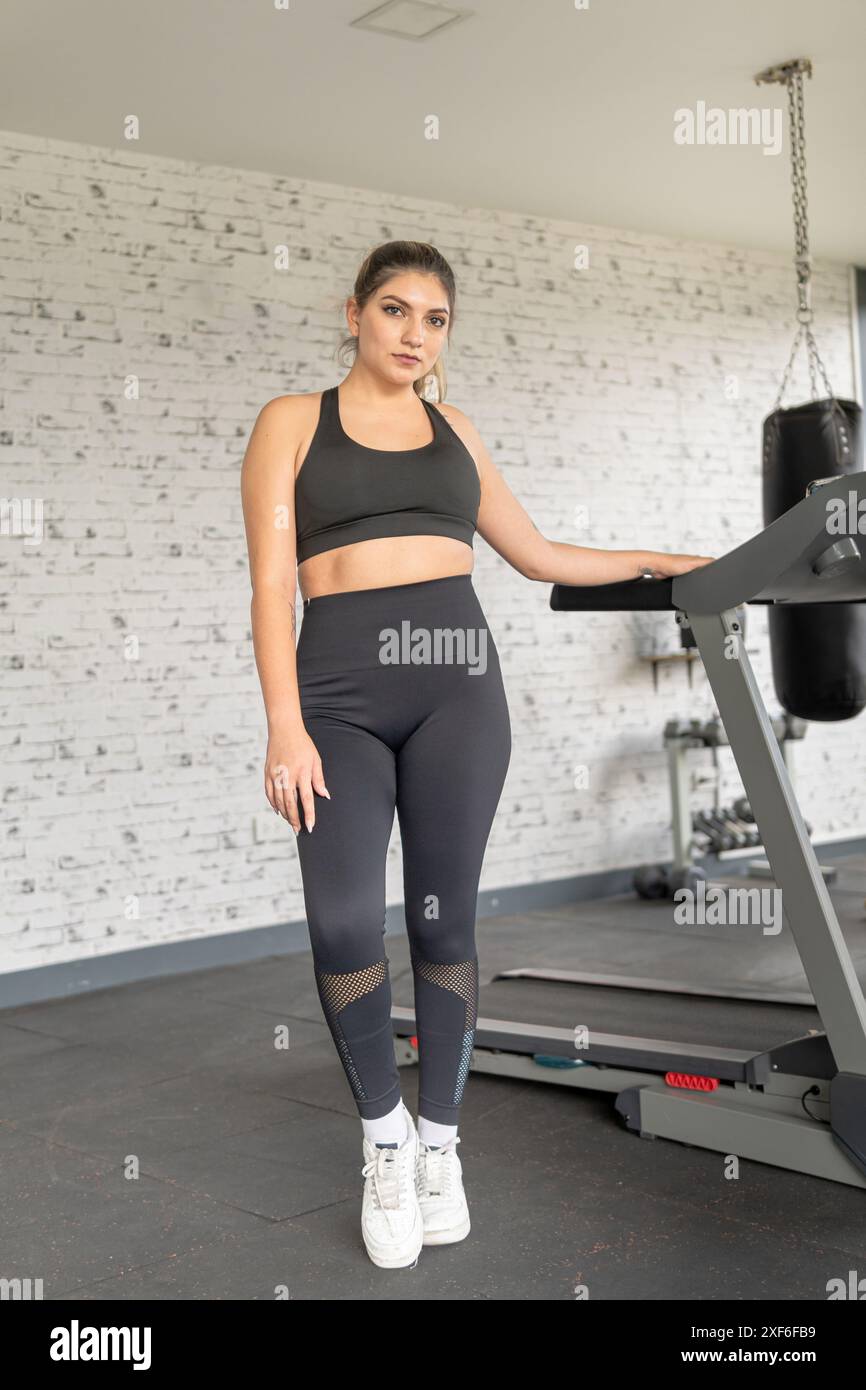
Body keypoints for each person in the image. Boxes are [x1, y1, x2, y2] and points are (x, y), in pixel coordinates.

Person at [240, 240, 713, 1270]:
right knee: (338, 918)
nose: (414, 334)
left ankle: (441, 1143)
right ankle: (383, 1139)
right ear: (354, 314)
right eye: (396, 311)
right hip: (334, 699)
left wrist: (667, 560)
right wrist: (283, 722)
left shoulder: (454, 430)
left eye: (434, 319)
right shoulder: (290, 421)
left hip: (459, 690)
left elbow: (537, 554)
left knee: (443, 917)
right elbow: (271, 584)